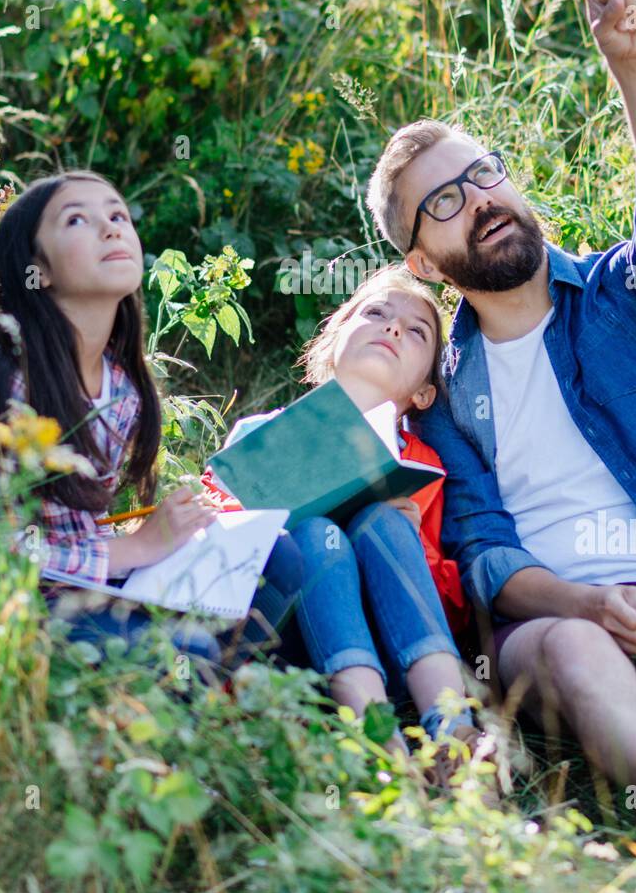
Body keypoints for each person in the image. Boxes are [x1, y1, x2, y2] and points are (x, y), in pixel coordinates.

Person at [364, 0, 636, 841]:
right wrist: (582, 602)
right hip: (557, 620)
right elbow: (483, 550)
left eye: (483, 174)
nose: (482, 198)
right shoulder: (445, 383)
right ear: (425, 258)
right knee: (584, 654)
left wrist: (634, 69)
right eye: (447, 201)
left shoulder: (629, 300)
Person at [0, 171, 303, 671]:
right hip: (8, 606)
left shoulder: (119, 383)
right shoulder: (0, 381)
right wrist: (135, 550)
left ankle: (237, 694)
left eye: (118, 215)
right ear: (38, 269)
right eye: (77, 219)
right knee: (185, 652)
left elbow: (76, 523)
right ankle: (193, 692)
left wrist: (163, 535)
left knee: (281, 558)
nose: (110, 228)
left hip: (87, 576)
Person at [202, 265, 499, 786]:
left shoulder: (421, 466)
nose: (392, 329)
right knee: (316, 533)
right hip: (291, 641)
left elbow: (443, 599)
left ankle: (455, 735)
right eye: (376, 314)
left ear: (424, 394)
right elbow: (224, 547)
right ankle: (376, 742)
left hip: (396, 649)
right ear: (332, 342)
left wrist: (412, 537)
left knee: (384, 520)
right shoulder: (259, 434)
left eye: (416, 332)